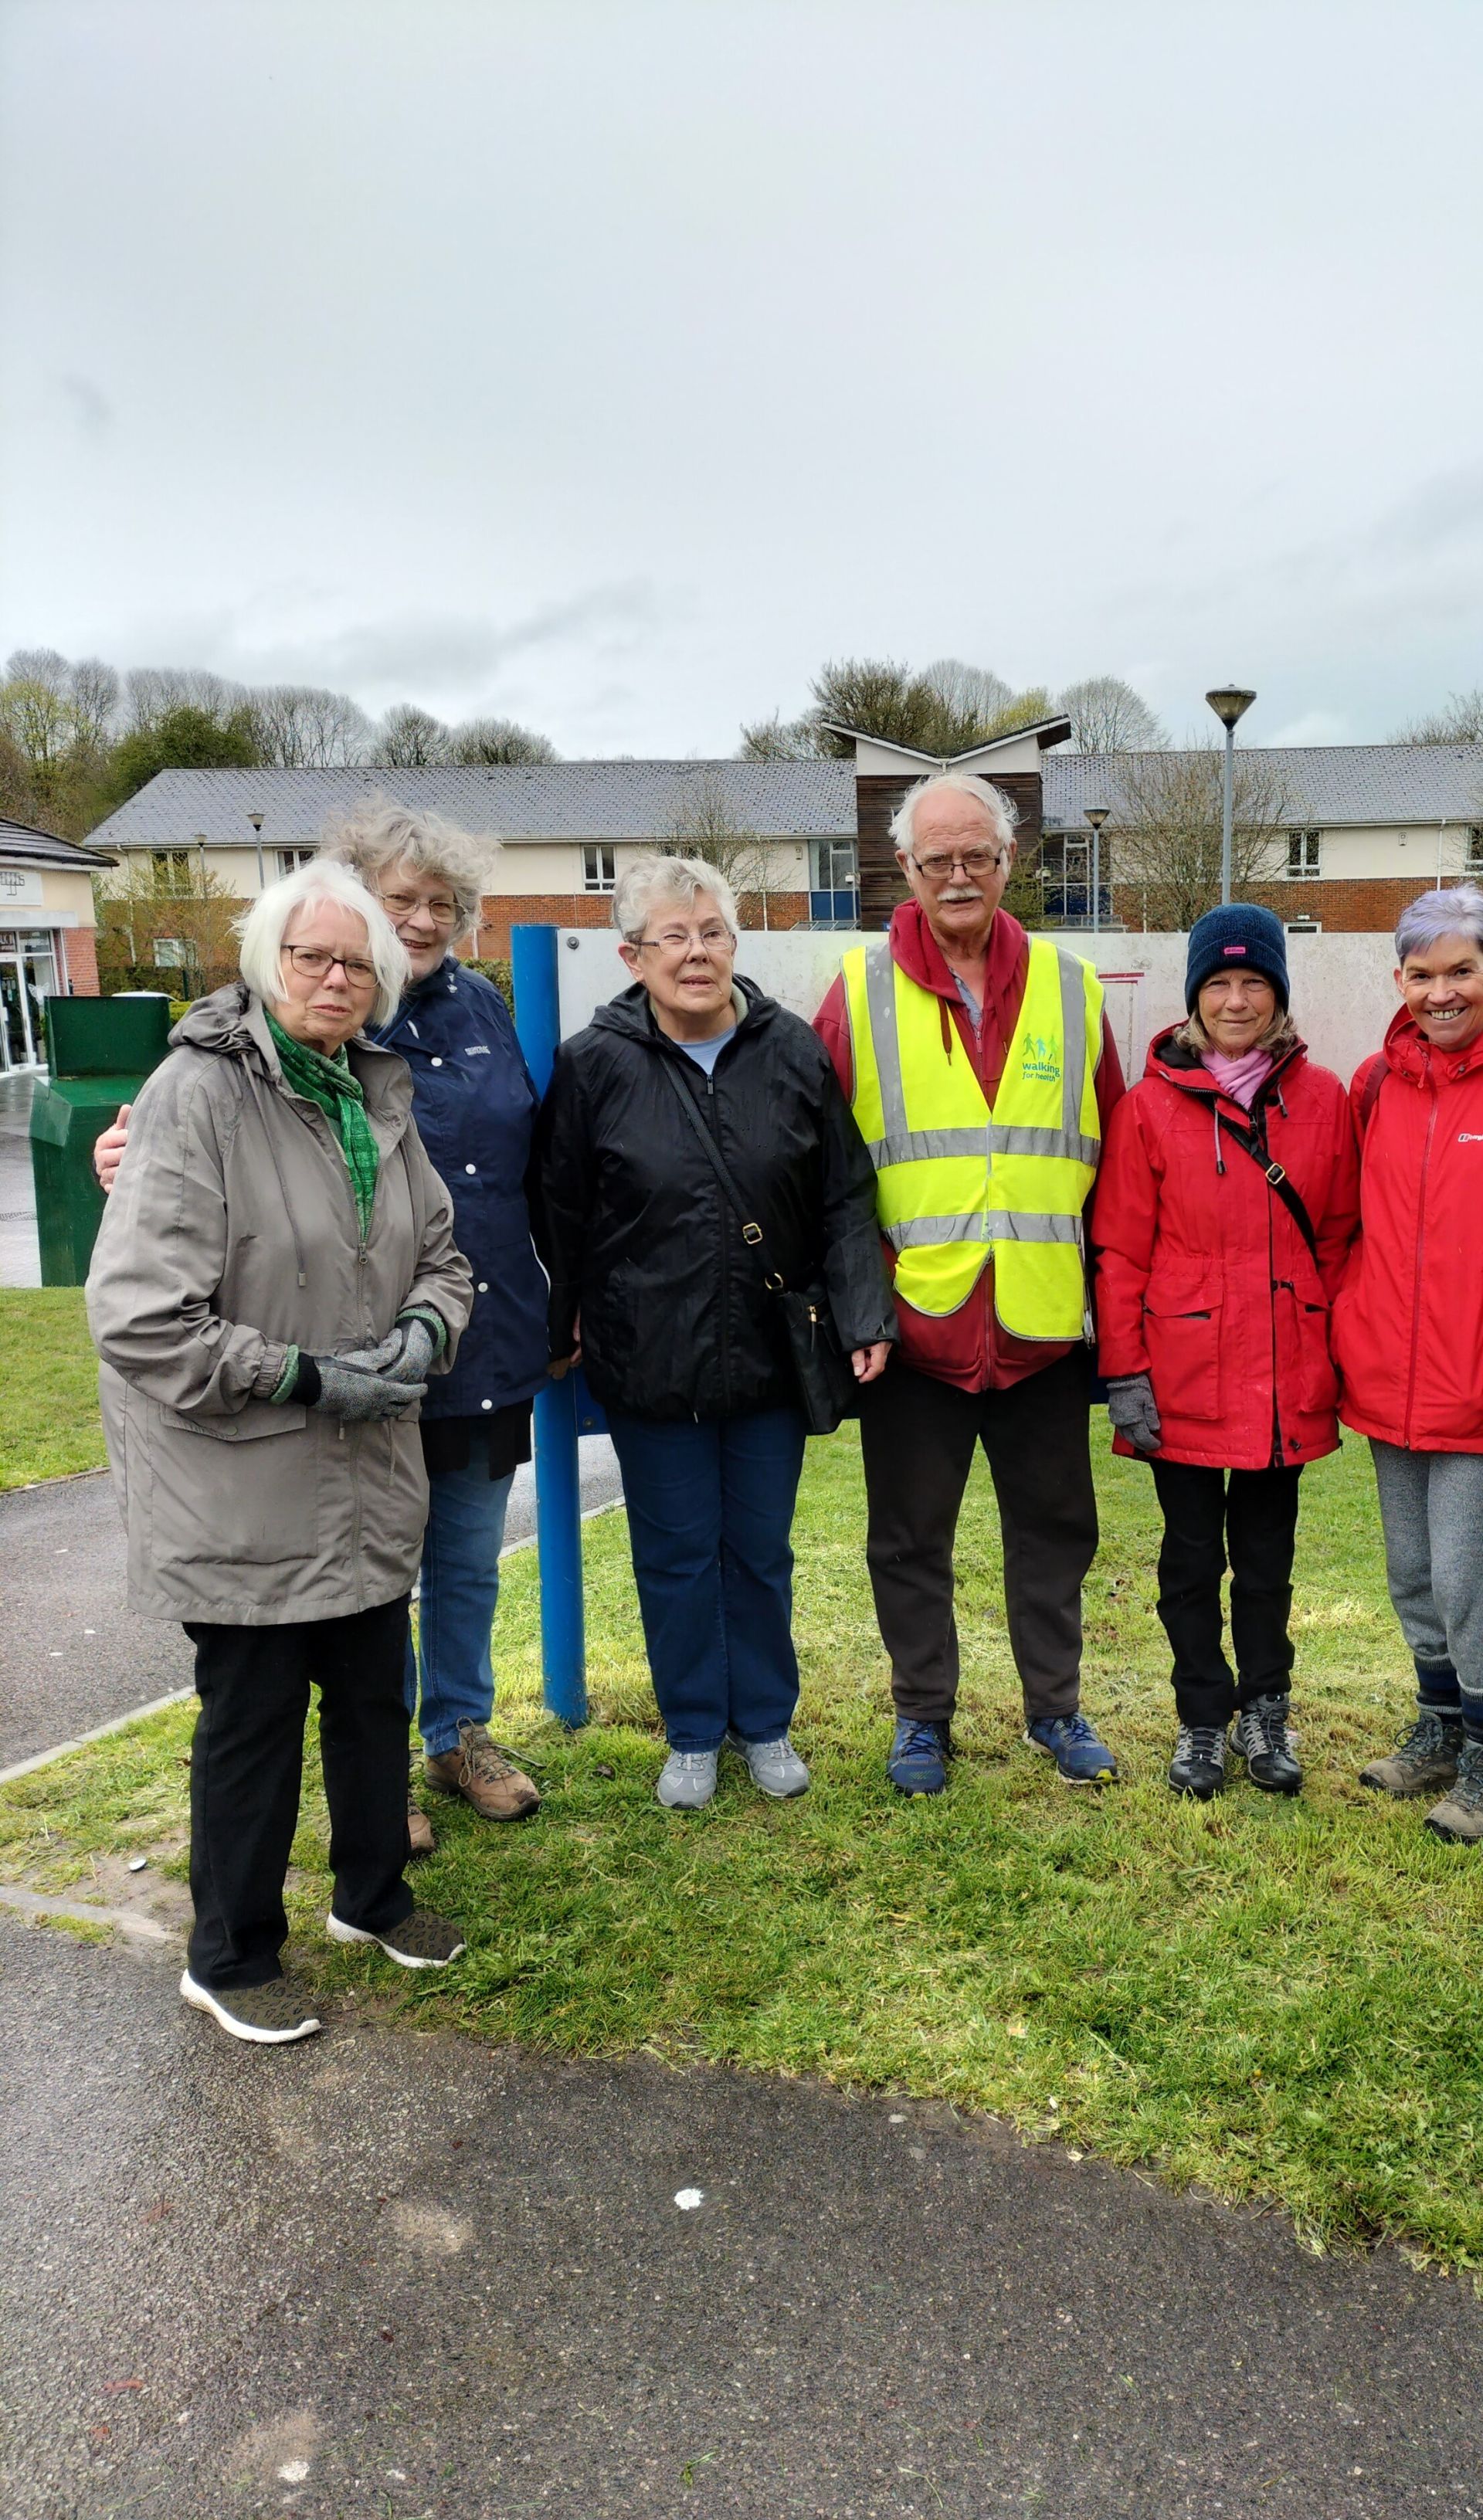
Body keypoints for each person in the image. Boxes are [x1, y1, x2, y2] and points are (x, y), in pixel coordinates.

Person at [96, 799, 550, 1850]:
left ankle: (459, 1731)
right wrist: (115, 1160)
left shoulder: (481, 1009)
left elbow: (530, 1157)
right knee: (369, 1574)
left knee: (469, 1559)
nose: (424, 920)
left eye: (443, 902)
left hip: (472, 1333)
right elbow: (177, 1132)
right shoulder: (300, 999)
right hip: (328, 1355)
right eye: (402, 899)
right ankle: (373, 1770)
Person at [86, 861, 473, 2043]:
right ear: (267, 962)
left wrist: (422, 1331)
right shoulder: (196, 1093)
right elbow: (145, 1313)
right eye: (311, 956)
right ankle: (232, 1954)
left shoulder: (376, 1093)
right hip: (241, 1473)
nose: (335, 979)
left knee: (368, 1695)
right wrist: (305, 1374)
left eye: (358, 962)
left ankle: (373, 1896)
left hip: (365, 1472)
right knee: (250, 1718)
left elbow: (444, 1261)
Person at [534, 853, 894, 1809]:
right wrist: (557, 1323)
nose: (696, 953)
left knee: (759, 1551)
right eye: (674, 937)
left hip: (774, 1351)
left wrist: (863, 1311)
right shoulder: (592, 1064)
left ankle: (766, 1721)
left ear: (735, 944)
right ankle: (693, 1729)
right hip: (649, 1355)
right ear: (631, 955)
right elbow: (560, 1208)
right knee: (676, 1554)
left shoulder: (792, 1050)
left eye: (713, 933)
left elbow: (844, 1196)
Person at [814, 770, 1126, 1796]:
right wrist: (862, 1306)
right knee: (907, 1541)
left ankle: (1058, 1709)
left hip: (1040, 1323)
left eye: (978, 855)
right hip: (912, 1329)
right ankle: (922, 1719)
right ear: (903, 868)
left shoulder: (1074, 990)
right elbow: (824, 1172)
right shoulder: (857, 992)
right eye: (938, 858)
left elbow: (1117, 1158)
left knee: (1056, 1533)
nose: (960, 874)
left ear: (1010, 863)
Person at [1093, 905, 1359, 1798]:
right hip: (1184, 1374)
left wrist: (1337, 1351)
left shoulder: (1323, 1101)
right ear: (1194, 995)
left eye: (1254, 982)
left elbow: (1340, 1238)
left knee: (1269, 1560)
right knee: (1190, 1559)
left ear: (1278, 993)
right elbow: (1122, 1249)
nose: (1236, 1000)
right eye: (1219, 983)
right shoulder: (1147, 1107)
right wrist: (1125, 1369)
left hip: (1287, 1374)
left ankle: (1266, 1708)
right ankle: (1202, 1720)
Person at [1334, 886, 1483, 1843]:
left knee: (1471, 1578)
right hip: (1390, 1377)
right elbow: (1349, 1220)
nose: (1441, 991)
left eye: (1462, 969)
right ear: (1398, 978)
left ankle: (1481, 1752)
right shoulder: (1375, 1085)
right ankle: (1436, 1725)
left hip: (1474, 1387)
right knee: (1412, 1572)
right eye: (1422, 974)